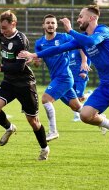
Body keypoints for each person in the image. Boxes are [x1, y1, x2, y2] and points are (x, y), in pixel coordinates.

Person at [18, 5, 109, 165]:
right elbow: (58, 49)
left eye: (80, 16)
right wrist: (35, 54)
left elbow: (92, 41)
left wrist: (70, 30)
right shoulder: (82, 38)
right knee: (85, 115)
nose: (78, 19)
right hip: (105, 86)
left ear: (92, 18)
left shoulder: (103, 31)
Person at [0, 10, 49, 160]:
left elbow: (19, 67)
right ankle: (10, 128)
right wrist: (4, 66)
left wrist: (1, 68)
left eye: (5, 27)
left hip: (25, 84)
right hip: (9, 81)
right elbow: (8, 58)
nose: (2, 30)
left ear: (13, 24)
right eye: (1, 27)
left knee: (33, 121)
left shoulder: (21, 41)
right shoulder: (0, 36)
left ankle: (44, 148)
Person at [33, 14, 84, 142]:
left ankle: (53, 131)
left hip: (64, 77)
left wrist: (84, 61)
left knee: (45, 99)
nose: (50, 25)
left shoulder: (64, 37)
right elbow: (38, 63)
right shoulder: (39, 43)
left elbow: (80, 44)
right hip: (56, 78)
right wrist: (35, 61)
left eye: (53, 23)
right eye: (48, 23)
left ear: (56, 25)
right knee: (77, 108)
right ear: (43, 25)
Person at [68, 49, 92, 122]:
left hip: (80, 77)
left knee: (79, 98)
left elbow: (88, 60)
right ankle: (77, 116)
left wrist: (84, 72)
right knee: (73, 98)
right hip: (71, 78)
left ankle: (89, 94)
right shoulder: (68, 51)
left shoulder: (80, 50)